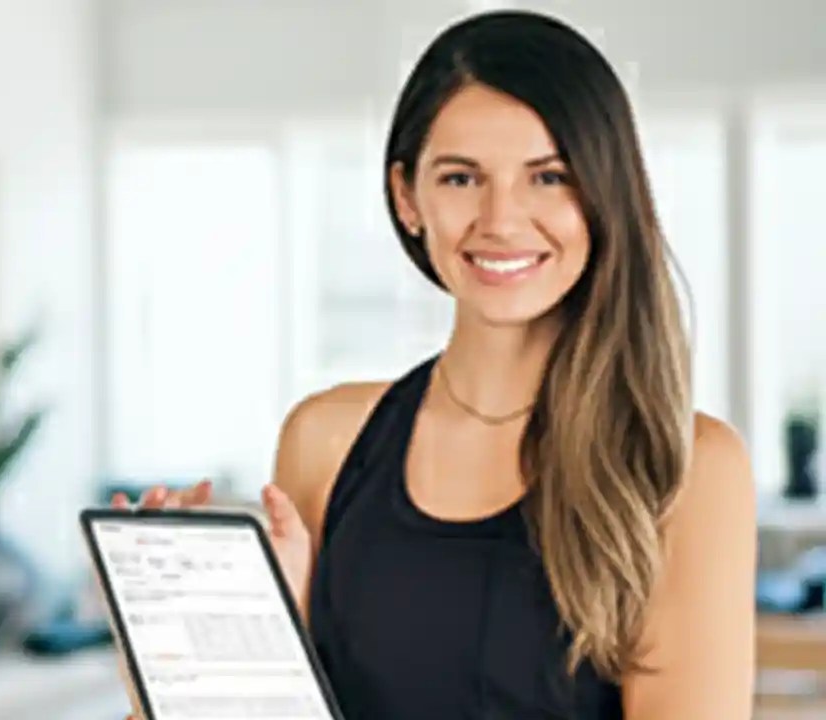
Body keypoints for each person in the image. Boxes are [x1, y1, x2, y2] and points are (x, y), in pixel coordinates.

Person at [114, 9, 755, 719]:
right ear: (406, 197)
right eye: (460, 178)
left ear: (606, 196)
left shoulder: (688, 470)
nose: (501, 220)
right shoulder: (327, 441)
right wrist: (192, 669)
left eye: (548, 177)